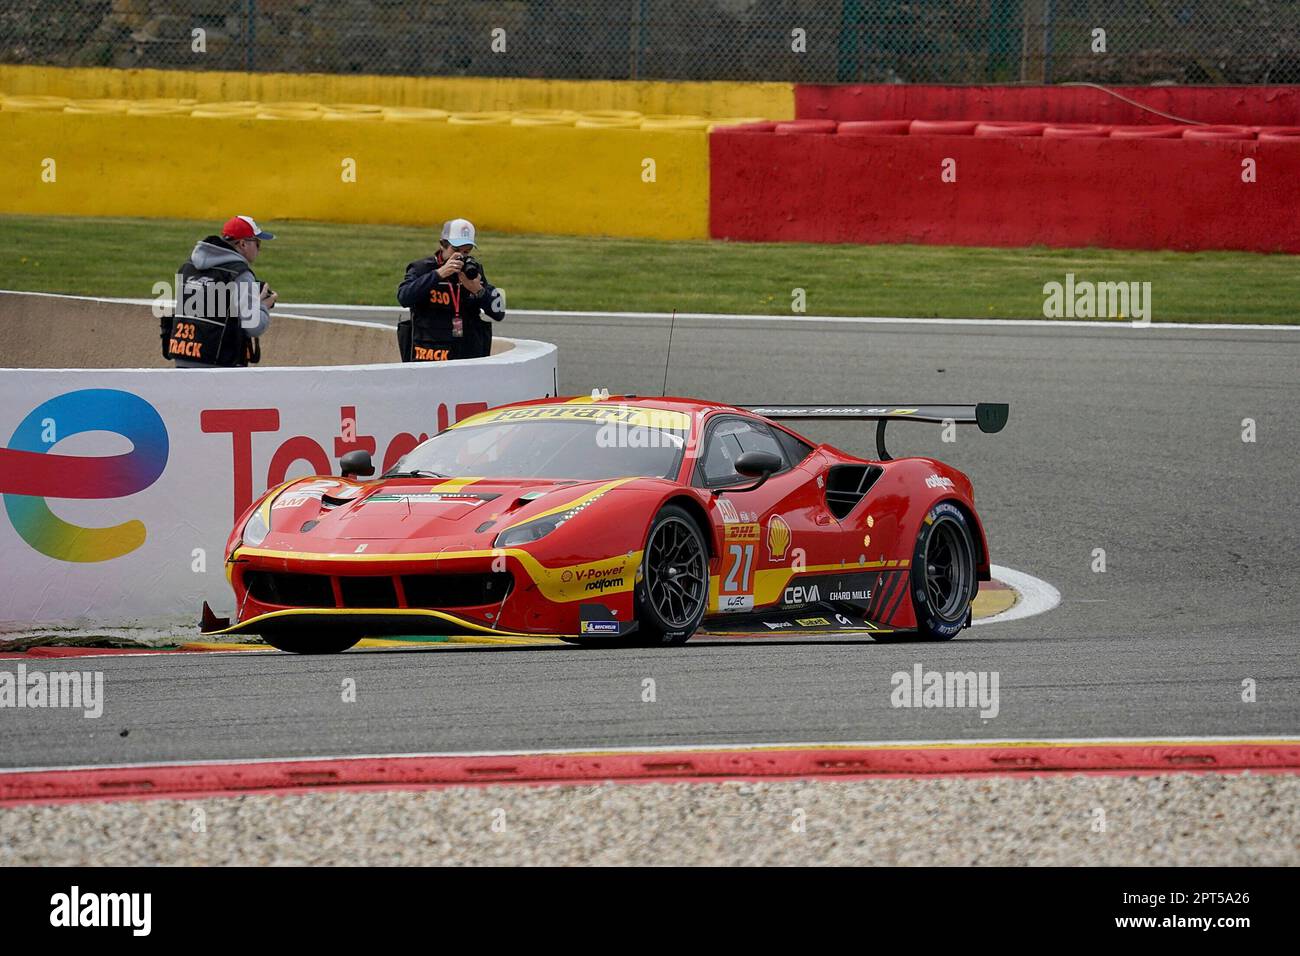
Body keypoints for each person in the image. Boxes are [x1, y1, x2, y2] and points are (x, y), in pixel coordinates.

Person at [165, 215, 276, 367]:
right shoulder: (240, 274)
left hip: (183, 356)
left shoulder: (188, 266)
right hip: (218, 365)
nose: (259, 248)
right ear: (243, 244)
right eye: (257, 243)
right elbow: (254, 326)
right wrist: (262, 305)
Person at [396, 218, 505, 362]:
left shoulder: (473, 271)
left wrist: (478, 290)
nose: (460, 256)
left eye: (466, 251)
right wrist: (439, 274)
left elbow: (499, 312)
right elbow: (403, 297)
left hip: (468, 353)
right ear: (442, 245)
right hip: (431, 353)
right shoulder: (422, 268)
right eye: (456, 250)